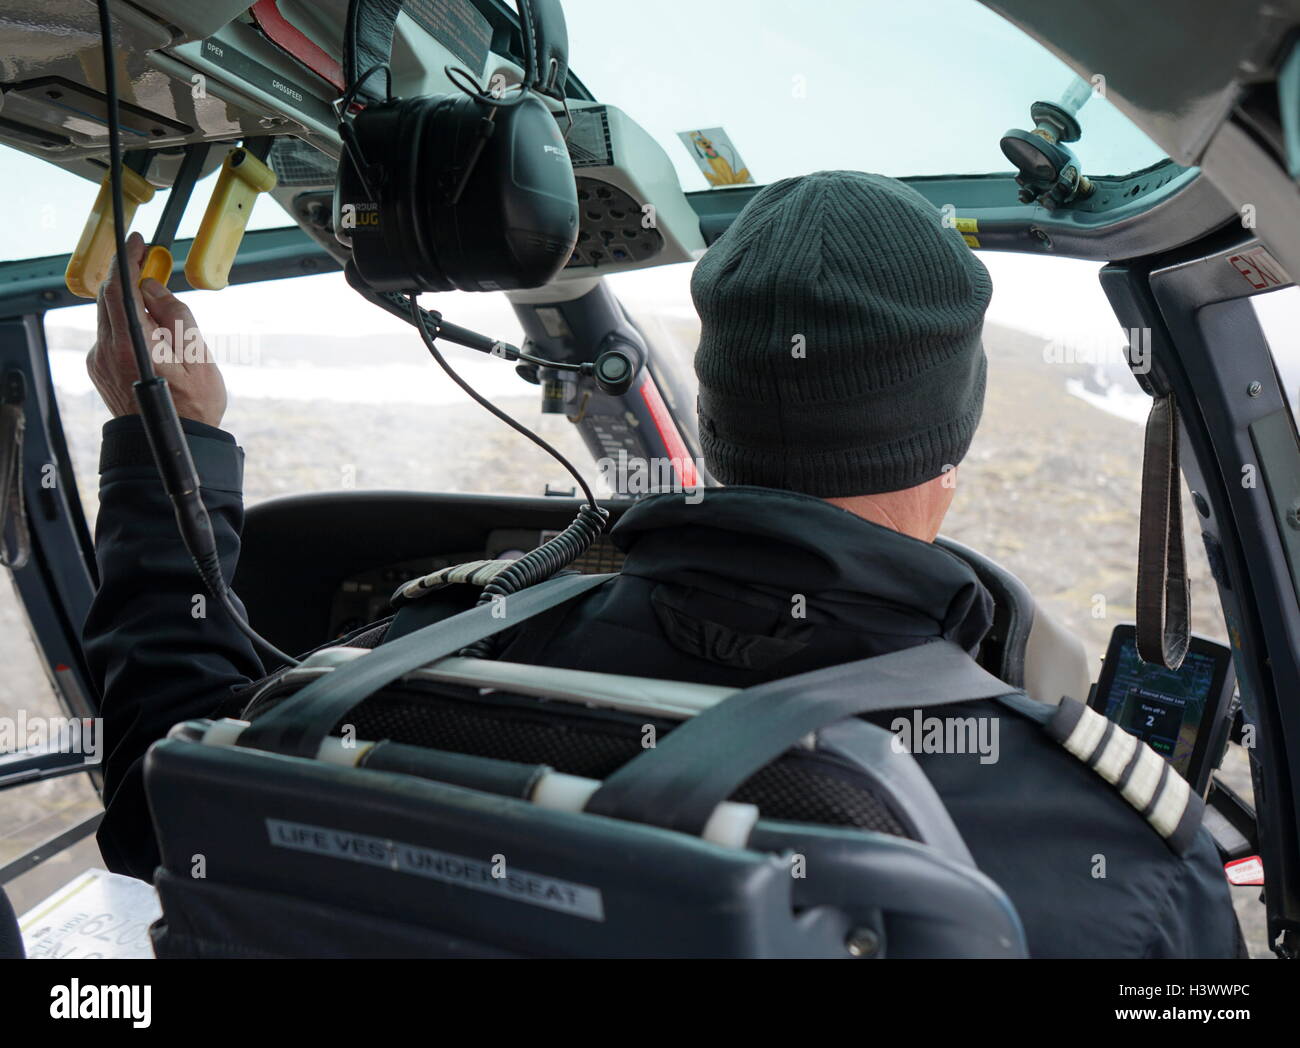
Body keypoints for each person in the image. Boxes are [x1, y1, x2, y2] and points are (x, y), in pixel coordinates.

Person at [82, 172, 1243, 958]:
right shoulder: (1106, 857)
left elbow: (157, 793)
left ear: (720, 423)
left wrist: (165, 438)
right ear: (952, 437)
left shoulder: (397, 674)